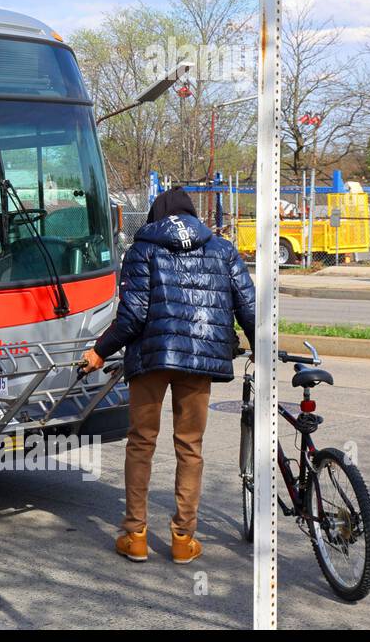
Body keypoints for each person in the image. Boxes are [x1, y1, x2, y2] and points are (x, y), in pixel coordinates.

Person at [82, 187, 256, 565]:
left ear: (154, 217)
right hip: (201, 357)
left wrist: (99, 351)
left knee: (142, 442)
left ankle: (135, 535)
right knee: (190, 447)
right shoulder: (222, 249)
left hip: (151, 357)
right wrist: (261, 346)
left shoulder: (142, 249)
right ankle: (182, 539)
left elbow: (132, 316)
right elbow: (248, 304)